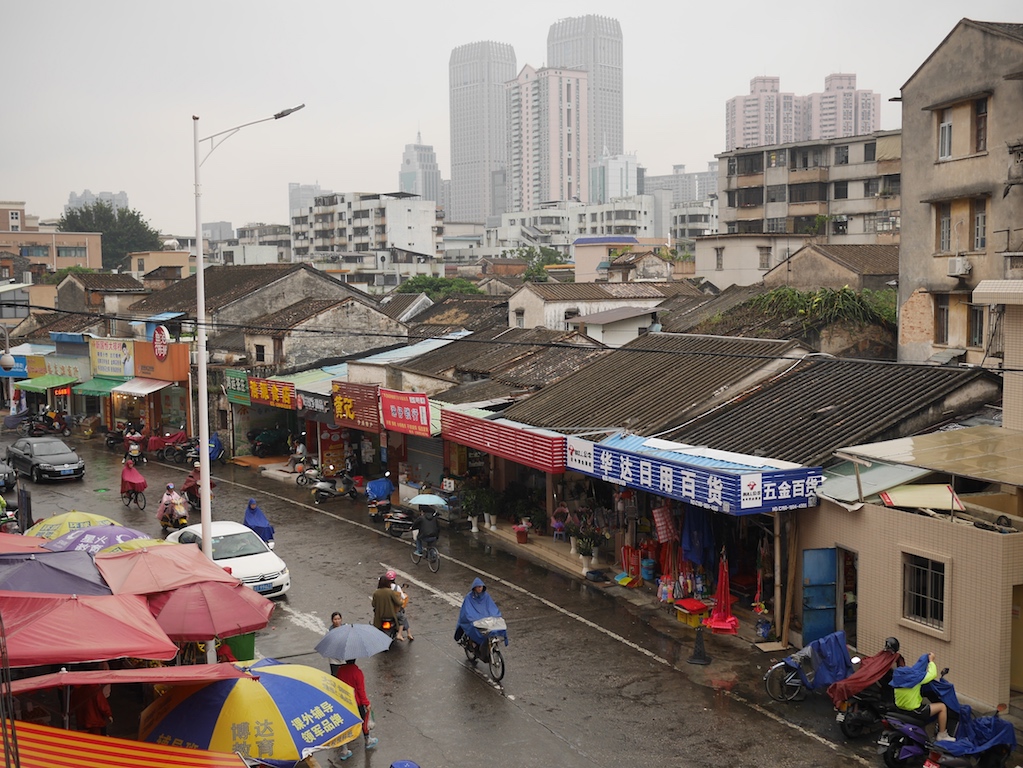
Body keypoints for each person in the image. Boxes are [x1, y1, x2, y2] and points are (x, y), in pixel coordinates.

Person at [891, 651, 955, 742]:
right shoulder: (915, 680)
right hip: (915, 711)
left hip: (900, 709)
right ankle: (942, 735)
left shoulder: (898, 678)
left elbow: (915, 669)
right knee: (942, 707)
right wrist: (931, 661)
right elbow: (932, 674)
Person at [334, 659, 378, 759]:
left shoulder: (340, 671)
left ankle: (344, 749)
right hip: (356, 704)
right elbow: (361, 691)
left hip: (345, 703)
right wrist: (366, 703)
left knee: (345, 726)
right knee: (364, 721)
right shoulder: (357, 673)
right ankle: (367, 740)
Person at [454, 577, 507, 659]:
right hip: (474, 620)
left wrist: (496, 616)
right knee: (474, 629)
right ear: (474, 587)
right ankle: (474, 645)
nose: (479, 588)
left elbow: (491, 607)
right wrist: (472, 618)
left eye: (481, 587)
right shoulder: (469, 597)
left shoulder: (486, 596)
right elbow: (467, 610)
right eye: (478, 587)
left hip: (484, 620)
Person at [371, 574, 404, 640]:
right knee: (402, 618)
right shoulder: (390, 592)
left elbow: (373, 604)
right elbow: (398, 602)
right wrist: (402, 602)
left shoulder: (376, 593)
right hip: (390, 615)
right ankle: (399, 634)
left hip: (379, 616)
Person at [386, 571, 412, 642]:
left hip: (384, 611)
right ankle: (401, 634)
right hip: (394, 610)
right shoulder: (396, 587)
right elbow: (403, 597)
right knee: (402, 618)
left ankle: (409, 633)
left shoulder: (382, 587)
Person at [325, 612, 345, 676]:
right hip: (334, 659)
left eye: (339, 619)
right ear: (332, 620)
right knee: (335, 675)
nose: (337, 621)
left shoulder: (345, 630)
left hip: (343, 658)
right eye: (335, 619)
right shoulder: (329, 632)